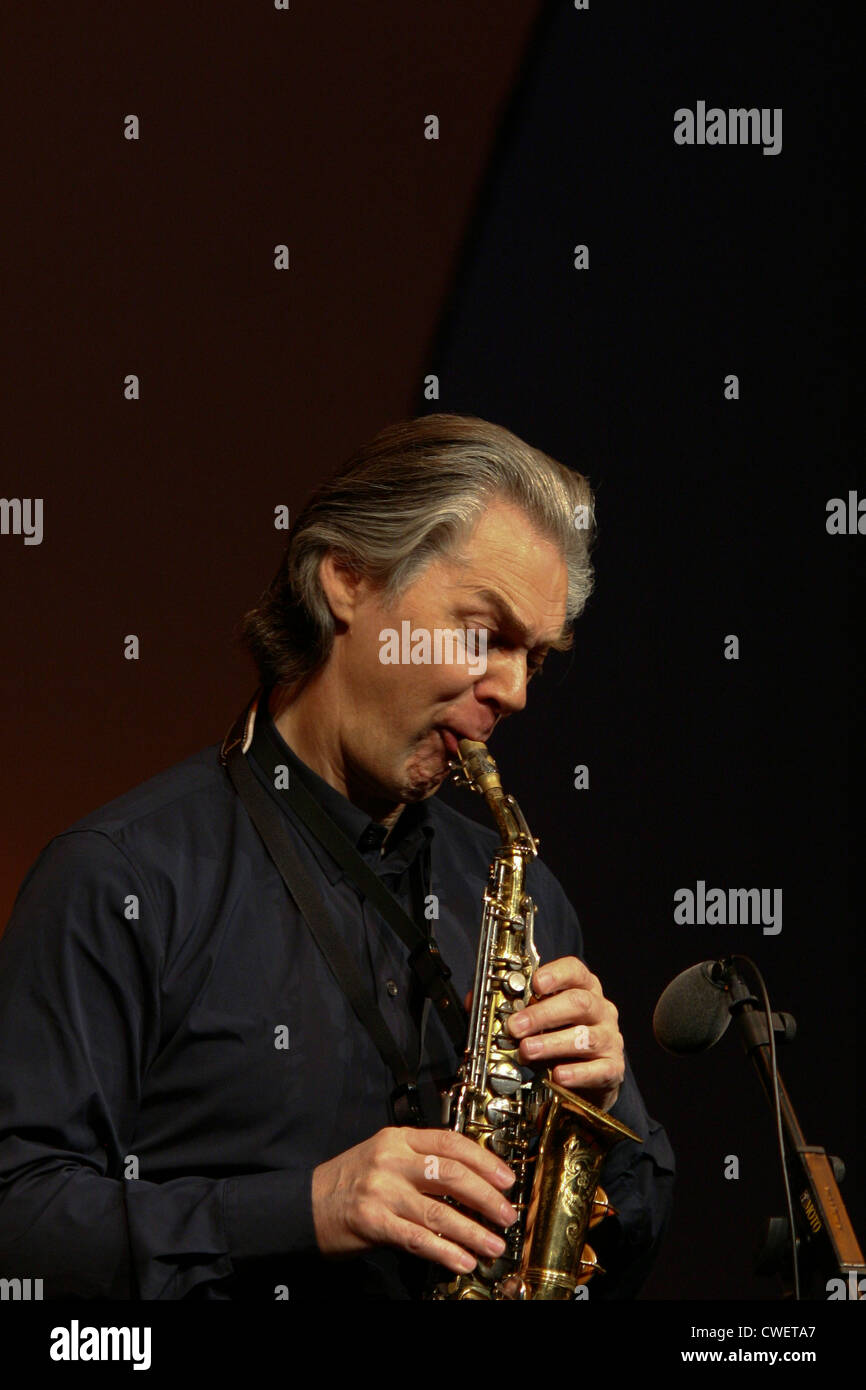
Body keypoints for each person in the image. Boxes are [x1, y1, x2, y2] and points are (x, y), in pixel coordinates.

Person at [0, 413, 674, 1300]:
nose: (512, 689)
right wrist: (307, 1208)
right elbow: (21, 1223)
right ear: (348, 579)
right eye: (485, 635)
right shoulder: (120, 877)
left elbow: (631, 1238)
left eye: (534, 658)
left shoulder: (517, 887)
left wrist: (607, 1096)